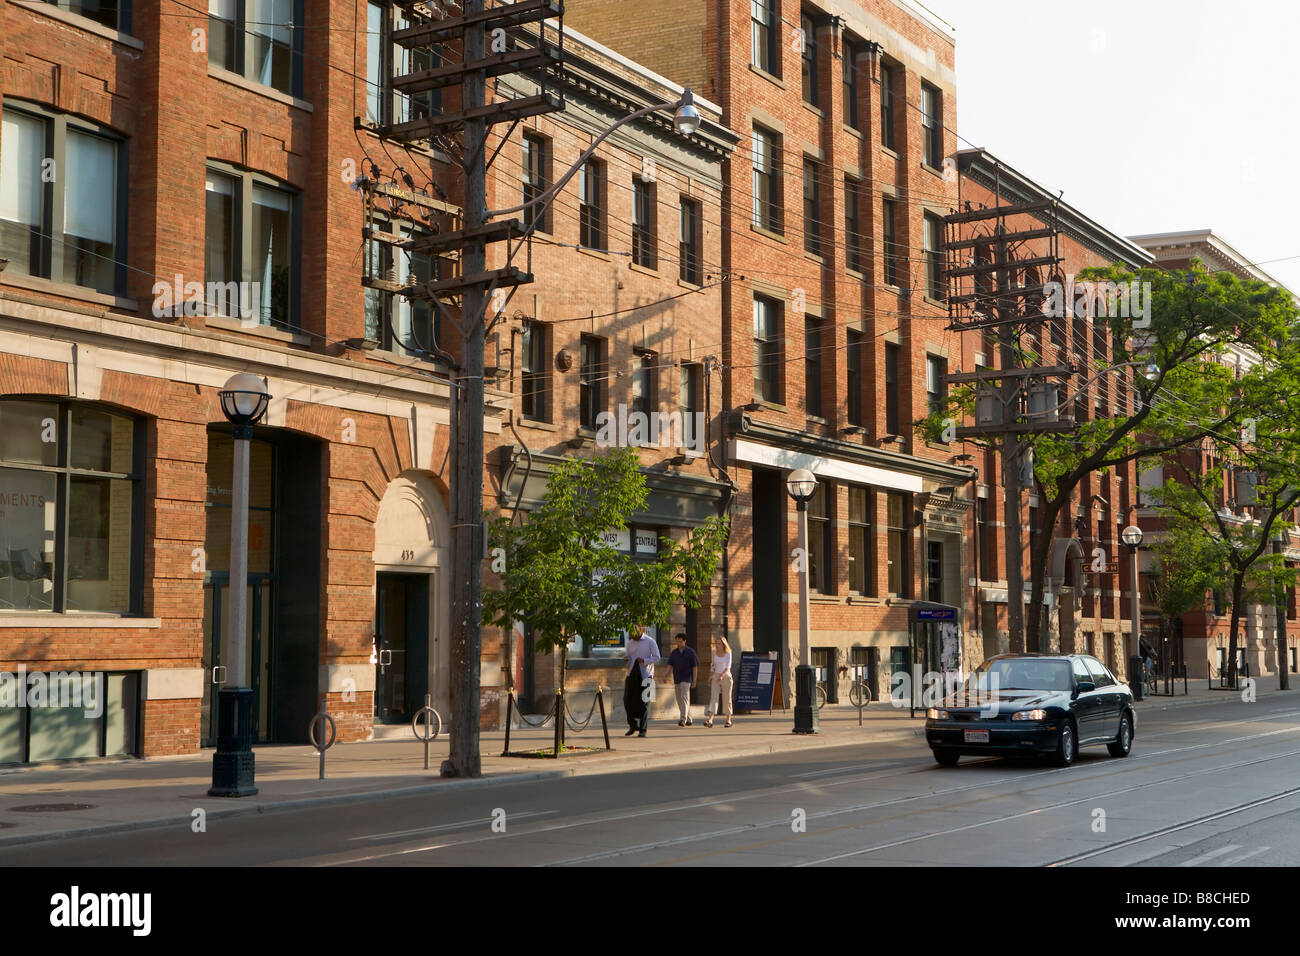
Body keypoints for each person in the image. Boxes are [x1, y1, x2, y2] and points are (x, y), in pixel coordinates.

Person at [623, 624, 660, 737]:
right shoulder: (630, 643)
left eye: (634, 634)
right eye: (630, 634)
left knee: (644, 702)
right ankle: (633, 725)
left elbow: (657, 658)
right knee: (627, 700)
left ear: (640, 631)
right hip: (632, 675)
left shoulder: (650, 641)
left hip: (647, 675)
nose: (632, 636)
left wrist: (644, 660)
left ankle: (643, 729)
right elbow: (629, 658)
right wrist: (626, 660)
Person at [667, 633, 698, 726]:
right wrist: (665, 675)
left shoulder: (690, 652)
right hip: (677, 678)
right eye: (677, 641)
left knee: (684, 697)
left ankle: (682, 719)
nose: (678, 643)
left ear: (684, 641)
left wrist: (694, 680)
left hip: (686, 678)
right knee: (679, 699)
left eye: (680, 641)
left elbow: (695, 667)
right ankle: (689, 718)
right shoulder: (674, 653)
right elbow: (670, 664)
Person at [703, 636, 733, 728]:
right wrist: (710, 676)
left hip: (726, 676)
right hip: (716, 675)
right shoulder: (714, 653)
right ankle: (710, 720)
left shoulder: (728, 653)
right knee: (714, 697)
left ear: (723, 644)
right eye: (716, 643)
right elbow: (713, 666)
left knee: (727, 698)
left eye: (719, 643)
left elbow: (728, 666)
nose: (717, 645)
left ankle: (728, 720)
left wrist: (722, 676)